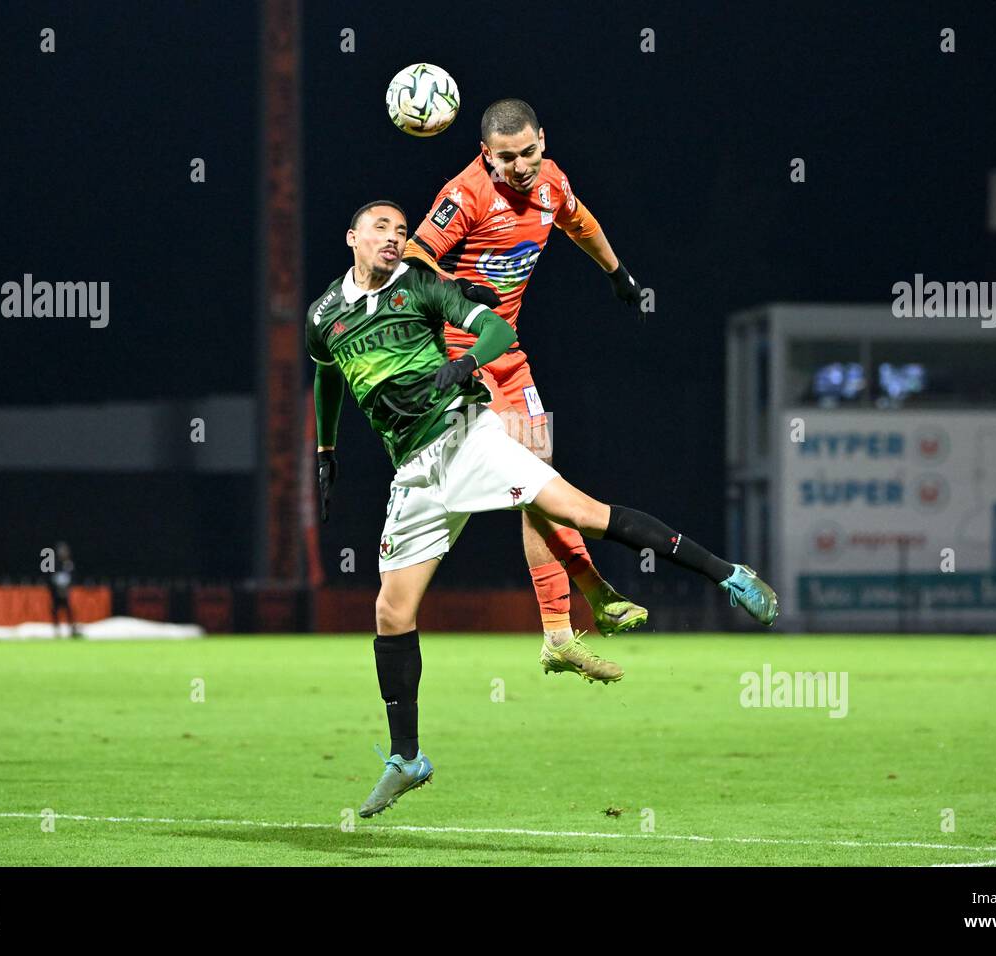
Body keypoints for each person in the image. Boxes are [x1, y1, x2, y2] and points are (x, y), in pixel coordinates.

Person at [308, 200, 779, 817]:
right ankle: (407, 758)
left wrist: (465, 365)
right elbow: (327, 376)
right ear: (352, 238)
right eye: (381, 229)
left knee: (582, 512)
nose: (394, 238)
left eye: (401, 229)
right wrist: (326, 447)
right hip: (414, 475)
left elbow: (498, 330)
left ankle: (729, 575)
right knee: (391, 612)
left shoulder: (422, 285)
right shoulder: (324, 315)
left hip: (468, 439)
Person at [402, 98, 649, 675]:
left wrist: (618, 274)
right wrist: (459, 291)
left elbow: (579, 221)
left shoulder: (551, 180)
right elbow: (414, 260)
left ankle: (562, 629)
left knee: (541, 478)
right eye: (506, 157)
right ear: (486, 155)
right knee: (532, 483)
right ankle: (586, 598)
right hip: (462, 357)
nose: (520, 166)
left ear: (544, 139)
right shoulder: (465, 196)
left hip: (509, 355)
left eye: (528, 152)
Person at [46, 541, 79, 638]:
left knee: (70, 612)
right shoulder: (54, 564)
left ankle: (72, 630)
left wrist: (67, 587)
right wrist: (56, 588)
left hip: (66, 593)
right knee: (55, 611)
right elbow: (50, 578)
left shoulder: (69, 564)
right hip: (56, 593)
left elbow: (73, 577)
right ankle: (57, 631)